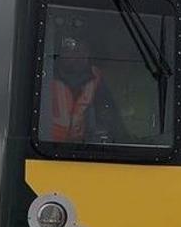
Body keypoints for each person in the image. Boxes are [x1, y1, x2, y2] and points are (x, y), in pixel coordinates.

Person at [45, 14, 128, 143]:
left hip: (82, 149)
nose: (77, 55)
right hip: (47, 148)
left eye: (82, 50)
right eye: (71, 50)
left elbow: (109, 115)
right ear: (59, 53)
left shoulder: (96, 79)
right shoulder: (46, 75)